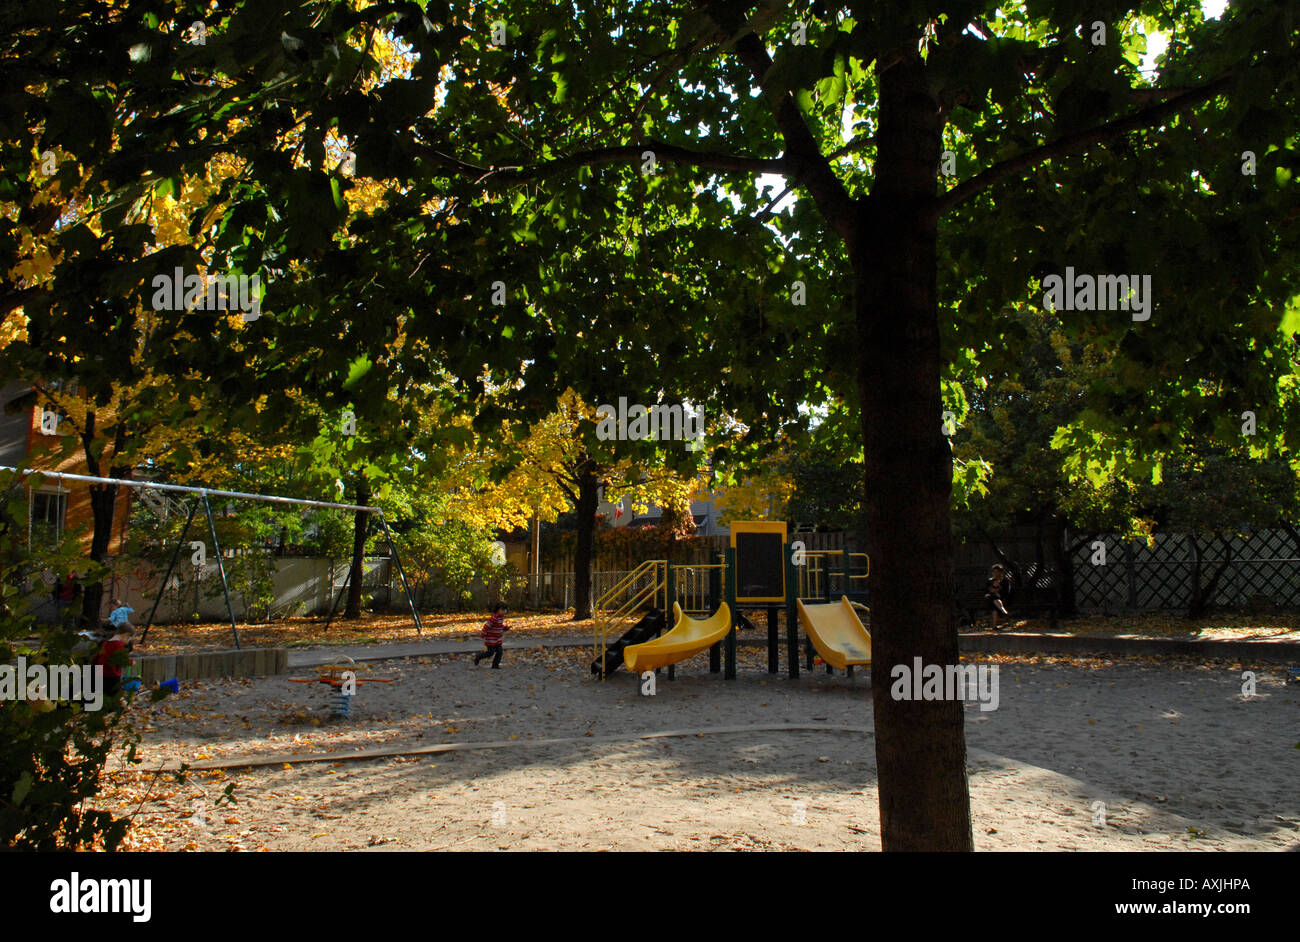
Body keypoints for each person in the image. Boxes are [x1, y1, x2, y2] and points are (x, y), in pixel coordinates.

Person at [93, 624, 135, 696]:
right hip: (111, 673)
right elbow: (121, 659)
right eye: (129, 638)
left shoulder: (105, 643)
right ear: (126, 635)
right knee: (113, 693)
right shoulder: (118, 645)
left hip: (99, 671)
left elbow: (97, 656)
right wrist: (131, 662)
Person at [473, 602, 511, 669]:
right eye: (502, 610)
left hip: (497, 639)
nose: (504, 612)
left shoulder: (501, 618)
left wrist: (505, 628)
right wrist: (483, 633)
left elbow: (499, 626)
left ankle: (495, 665)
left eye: (505, 610)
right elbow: (487, 625)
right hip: (491, 639)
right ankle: (479, 656)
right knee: (490, 652)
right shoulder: (494, 617)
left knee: (500, 651)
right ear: (498, 610)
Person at [985, 564, 1012, 631]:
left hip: (1003, 599)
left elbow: (1007, 592)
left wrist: (999, 592)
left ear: (1000, 572)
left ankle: (994, 626)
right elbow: (988, 590)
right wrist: (994, 589)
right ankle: (1004, 611)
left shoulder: (1005, 581)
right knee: (994, 599)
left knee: (994, 606)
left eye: (997, 571)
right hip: (991, 599)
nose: (995, 573)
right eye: (994, 572)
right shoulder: (990, 581)